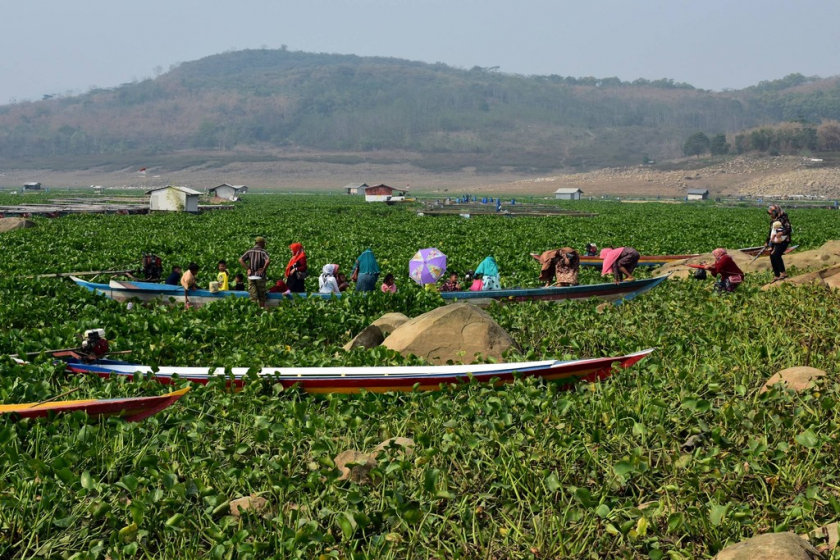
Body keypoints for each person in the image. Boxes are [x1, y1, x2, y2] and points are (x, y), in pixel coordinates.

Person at [239, 237, 270, 308]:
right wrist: (263, 269)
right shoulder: (263, 251)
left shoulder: (249, 251)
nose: (264, 245)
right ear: (261, 243)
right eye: (264, 243)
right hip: (260, 276)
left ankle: (254, 312)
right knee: (261, 296)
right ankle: (261, 312)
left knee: (253, 297)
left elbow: (241, 260)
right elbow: (268, 260)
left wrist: (248, 269)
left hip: (251, 276)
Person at [766, 205, 792, 283]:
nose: (770, 215)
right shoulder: (773, 220)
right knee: (772, 256)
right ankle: (776, 275)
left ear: (775, 212)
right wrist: (767, 241)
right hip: (774, 240)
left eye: (771, 214)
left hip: (783, 241)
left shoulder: (783, 218)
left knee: (776, 254)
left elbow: (789, 229)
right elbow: (771, 232)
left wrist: (781, 233)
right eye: (769, 214)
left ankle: (783, 273)